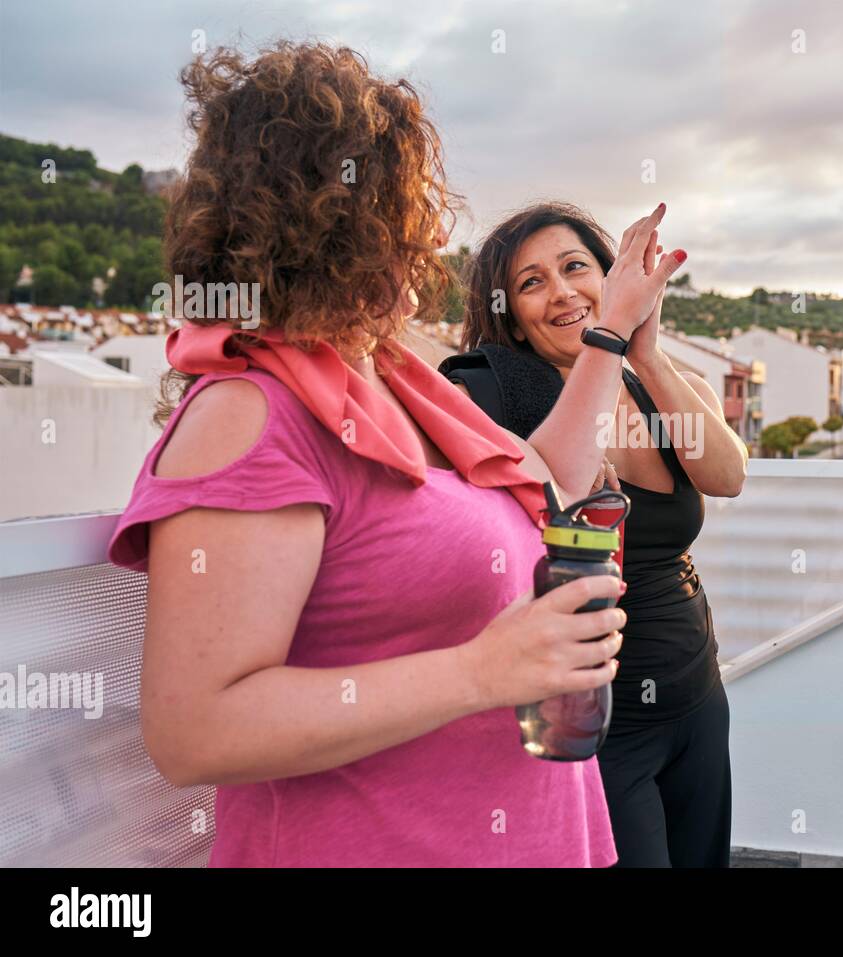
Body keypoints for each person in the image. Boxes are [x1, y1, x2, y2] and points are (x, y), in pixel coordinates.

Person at [106, 42, 681, 867]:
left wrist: (614, 327)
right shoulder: (248, 414)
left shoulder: (395, 381)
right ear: (344, 219)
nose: (431, 232)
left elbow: (547, 476)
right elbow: (194, 729)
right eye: (408, 201)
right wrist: (482, 672)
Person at [441, 202, 749, 866]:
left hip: (698, 696)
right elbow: (526, 509)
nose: (560, 292)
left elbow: (727, 475)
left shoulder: (660, 386)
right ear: (512, 317)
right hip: (596, 722)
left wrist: (646, 352)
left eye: (575, 266)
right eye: (531, 282)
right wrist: (608, 339)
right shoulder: (490, 400)